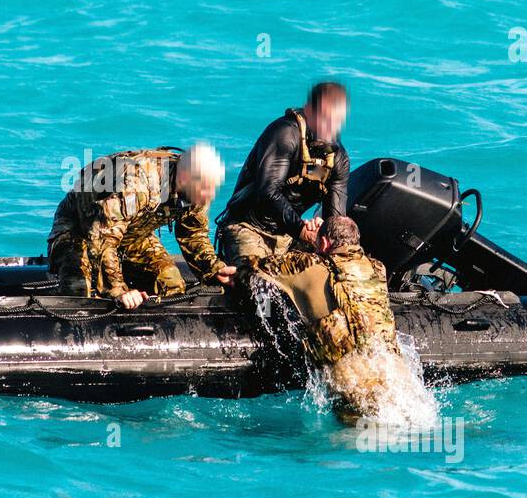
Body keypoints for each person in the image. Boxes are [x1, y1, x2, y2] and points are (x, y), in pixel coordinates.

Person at [248, 215, 410, 419]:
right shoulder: (377, 268)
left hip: (353, 382)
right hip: (395, 373)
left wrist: (306, 238)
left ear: (323, 243)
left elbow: (256, 266)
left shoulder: (308, 265)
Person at [47, 143, 237, 309]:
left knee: (171, 282)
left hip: (132, 234)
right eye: (206, 188)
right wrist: (118, 290)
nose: (209, 196)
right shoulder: (136, 182)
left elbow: (193, 233)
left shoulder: (196, 190)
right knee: (79, 290)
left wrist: (213, 268)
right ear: (184, 177)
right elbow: (103, 238)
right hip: (79, 230)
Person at [216, 81, 350, 267]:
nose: (330, 126)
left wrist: (321, 228)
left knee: (337, 266)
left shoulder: (338, 158)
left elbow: (336, 219)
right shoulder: (284, 134)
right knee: (255, 283)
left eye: (336, 120)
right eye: (324, 117)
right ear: (309, 110)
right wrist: (301, 228)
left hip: (289, 235)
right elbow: (267, 191)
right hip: (249, 228)